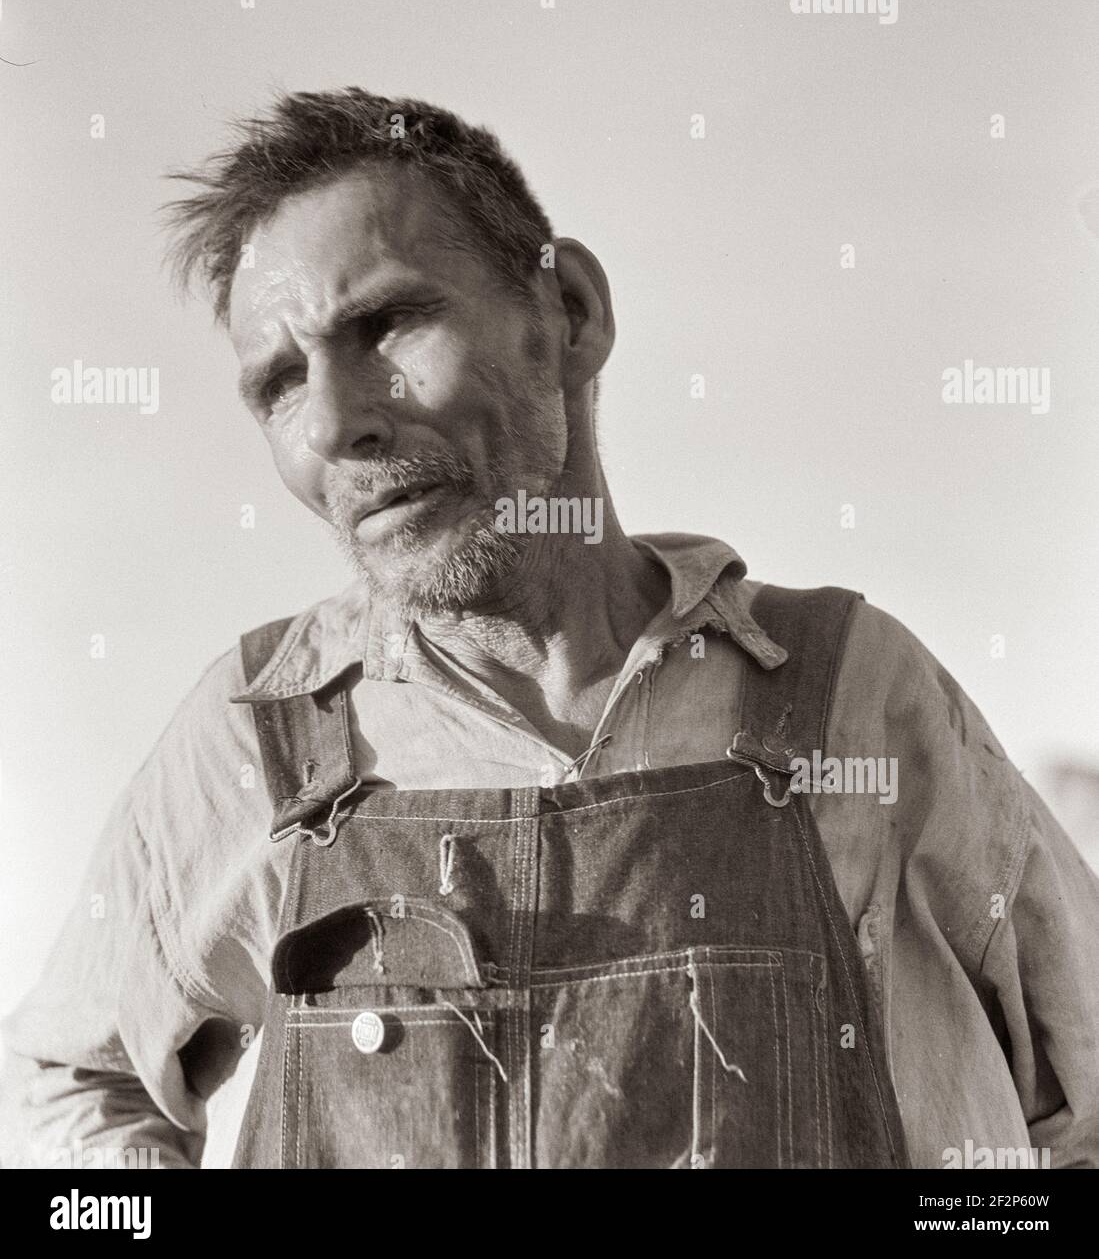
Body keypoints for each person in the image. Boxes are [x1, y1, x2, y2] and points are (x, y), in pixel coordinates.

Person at [3, 89, 1097, 1170]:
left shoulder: (849, 691)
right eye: (282, 383)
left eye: (385, 322)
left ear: (568, 311)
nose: (336, 424)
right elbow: (74, 1082)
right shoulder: (264, 734)